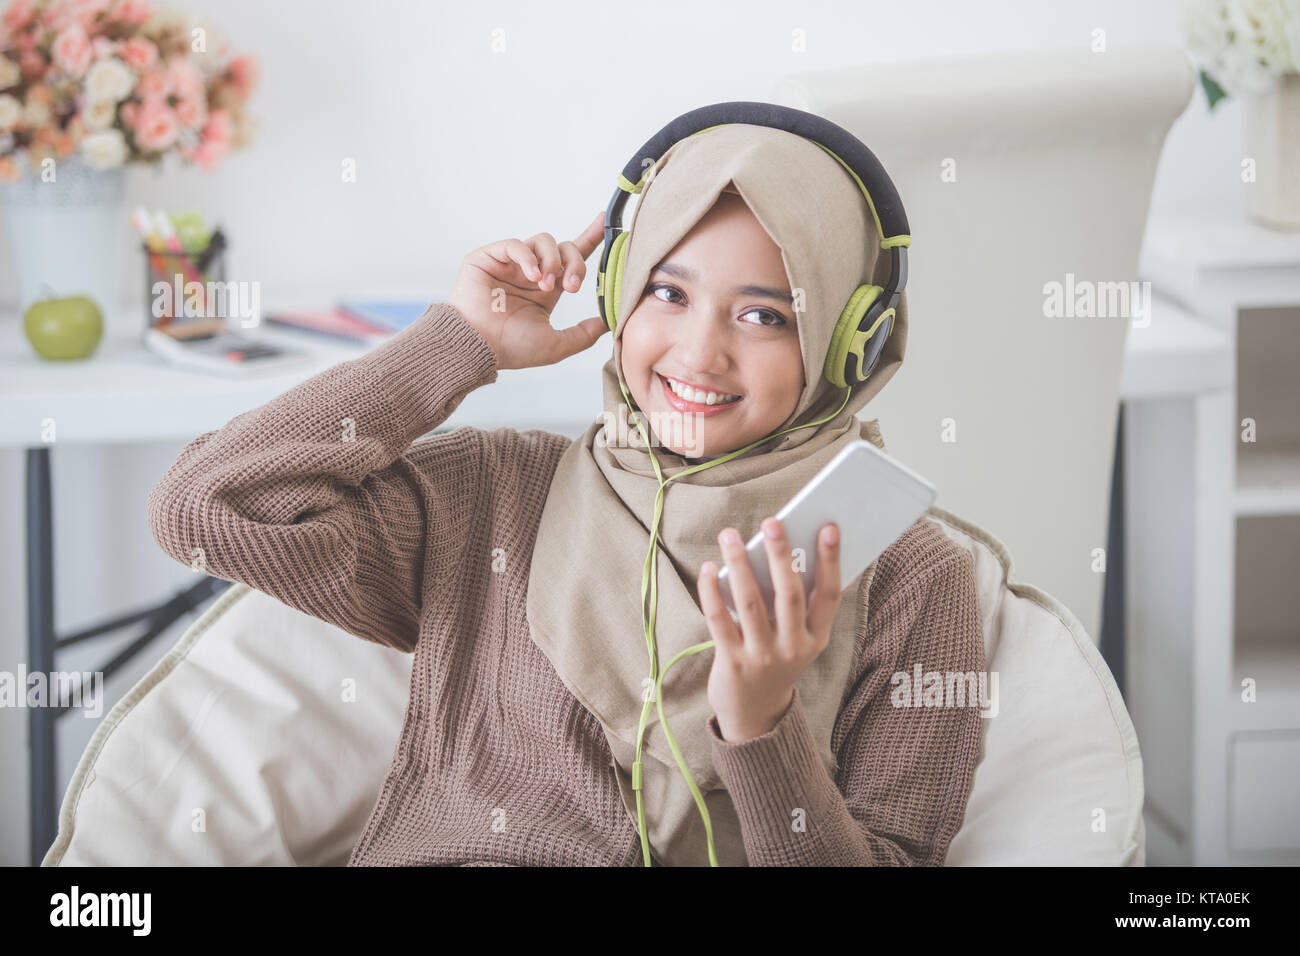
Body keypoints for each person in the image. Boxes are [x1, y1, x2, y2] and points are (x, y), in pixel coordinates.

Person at [146, 121, 986, 867]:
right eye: (668, 292)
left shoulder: (913, 580)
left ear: (850, 342)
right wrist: (456, 344)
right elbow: (208, 512)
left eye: (764, 316)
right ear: (619, 292)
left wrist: (762, 727)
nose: (698, 352)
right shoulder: (491, 495)